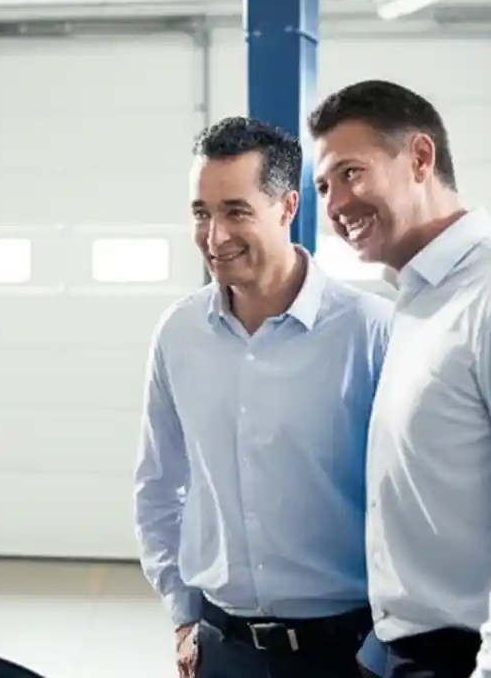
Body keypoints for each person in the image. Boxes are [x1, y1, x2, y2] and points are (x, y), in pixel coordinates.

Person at [307, 79, 491, 678]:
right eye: (323, 186)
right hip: (404, 649)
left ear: (420, 158)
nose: (336, 204)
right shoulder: (416, 303)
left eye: (351, 173)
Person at [133, 116, 394, 678]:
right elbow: (158, 486)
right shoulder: (178, 334)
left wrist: (383, 648)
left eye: (236, 211)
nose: (214, 236)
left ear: (287, 206)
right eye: (201, 212)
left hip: (347, 655)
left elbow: (410, 505)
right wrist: (183, 615)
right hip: (221, 650)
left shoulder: (371, 331)